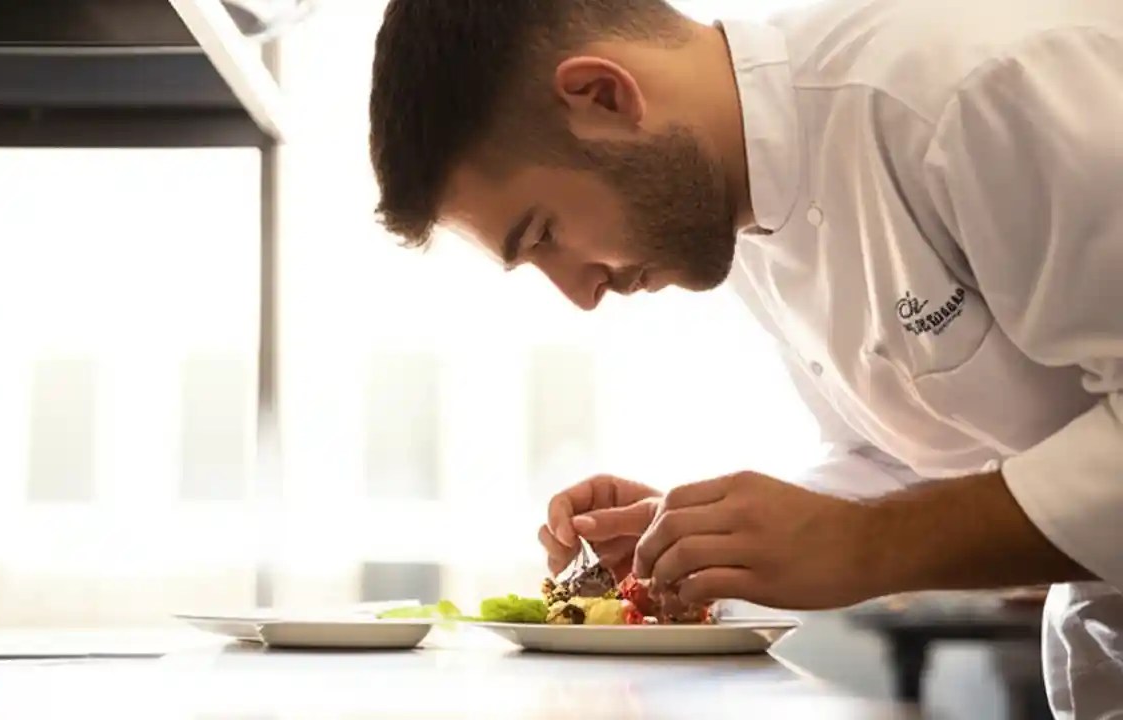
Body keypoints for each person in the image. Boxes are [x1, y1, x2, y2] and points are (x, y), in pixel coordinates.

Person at [366, 0, 1123, 715]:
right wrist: (711, 548)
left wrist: (866, 544)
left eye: (543, 235)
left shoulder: (973, 84)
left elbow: (895, 531)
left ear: (602, 94)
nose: (580, 296)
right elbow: (927, 460)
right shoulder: (736, 209)